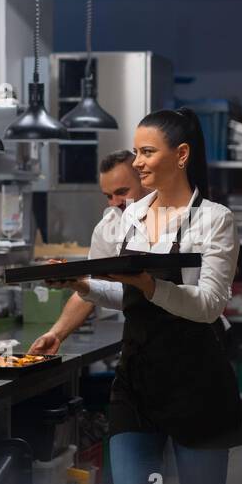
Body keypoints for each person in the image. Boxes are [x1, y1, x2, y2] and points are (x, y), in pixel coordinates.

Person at [44, 107, 242, 484]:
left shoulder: (214, 221)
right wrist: (81, 284)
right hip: (135, 385)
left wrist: (147, 285)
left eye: (147, 151)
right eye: (136, 151)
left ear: (182, 154)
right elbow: (120, 295)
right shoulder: (127, 218)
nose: (137, 161)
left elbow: (210, 304)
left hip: (198, 389)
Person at [28, 149, 144, 355]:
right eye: (108, 196)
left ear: (144, 180)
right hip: (140, 340)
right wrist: (56, 334)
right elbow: (93, 289)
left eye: (122, 192)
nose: (114, 202)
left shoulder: (175, 218)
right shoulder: (108, 227)